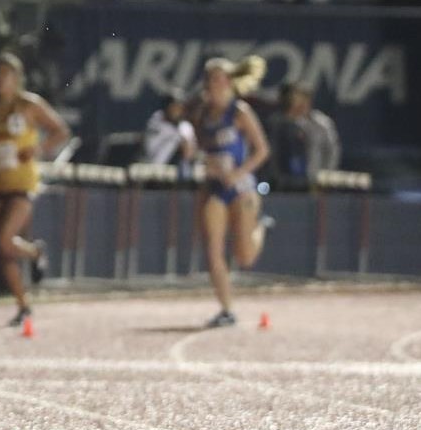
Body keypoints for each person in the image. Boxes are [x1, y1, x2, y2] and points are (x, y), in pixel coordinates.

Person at [0, 52, 70, 326]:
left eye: (6, 75)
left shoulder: (28, 105)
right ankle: (23, 303)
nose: (0, 80)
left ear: (17, 79)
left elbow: (61, 130)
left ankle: (35, 253)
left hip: (21, 184)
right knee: (1, 248)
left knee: (4, 238)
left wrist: (38, 149)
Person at [193, 55, 271, 328]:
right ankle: (227, 309)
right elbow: (201, 151)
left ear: (229, 82)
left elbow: (262, 150)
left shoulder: (239, 112)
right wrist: (206, 166)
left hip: (240, 188)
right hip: (216, 188)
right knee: (213, 248)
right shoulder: (202, 115)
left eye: (221, 79)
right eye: (212, 79)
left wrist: (239, 172)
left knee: (244, 256)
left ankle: (260, 228)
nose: (217, 84)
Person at [267, 82, 340, 189]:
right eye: (294, 99)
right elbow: (272, 152)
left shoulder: (321, 123)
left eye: (302, 99)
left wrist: (325, 177)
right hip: (281, 183)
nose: (299, 103)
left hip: (313, 181)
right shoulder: (276, 123)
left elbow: (332, 152)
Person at [140, 90, 195, 165]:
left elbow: (189, 153)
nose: (178, 110)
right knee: (174, 139)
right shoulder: (155, 122)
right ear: (167, 107)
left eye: (180, 106)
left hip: (178, 169)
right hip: (152, 166)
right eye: (174, 106)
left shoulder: (185, 126)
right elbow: (150, 151)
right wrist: (178, 139)